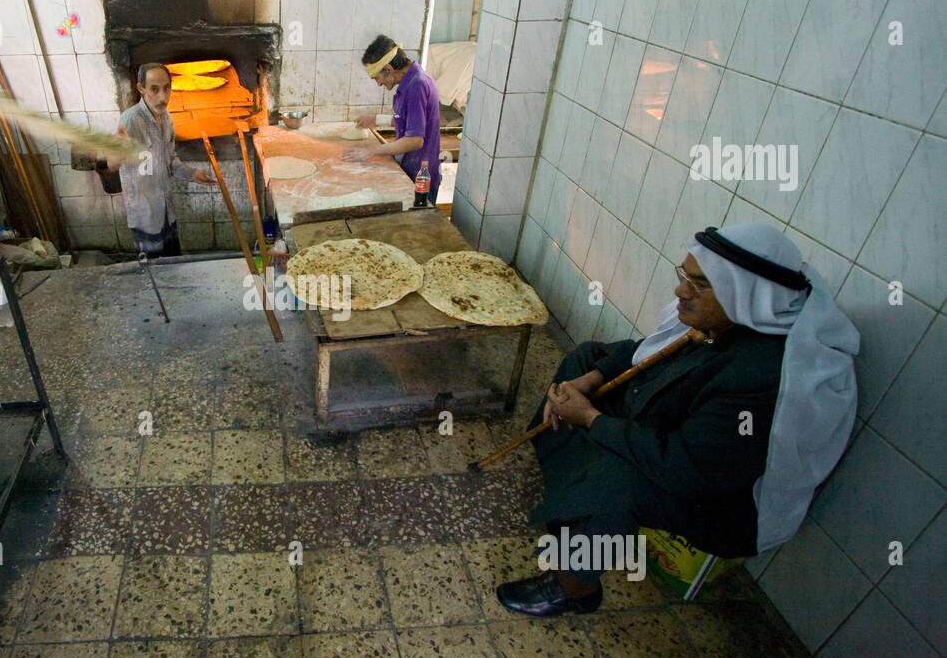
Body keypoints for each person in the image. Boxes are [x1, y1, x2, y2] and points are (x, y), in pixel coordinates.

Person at [496, 223, 860, 617]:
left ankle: (574, 587)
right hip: (674, 428)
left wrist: (589, 418)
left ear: (744, 295)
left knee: (624, 480)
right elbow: (645, 351)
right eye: (685, 276)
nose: (681, 291)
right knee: (584, 358)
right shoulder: (726, 319)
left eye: (700, 284)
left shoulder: (763, 375)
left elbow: (681, 468)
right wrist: (589, 379)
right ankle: (569, 497)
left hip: (719, 500)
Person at [114, 63, 214, 257]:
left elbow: (170, 160)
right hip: (145, 217)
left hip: (167, 212)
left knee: (174, 267)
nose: (163, 96)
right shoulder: (130, 121)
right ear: (141, 88)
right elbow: (118, 162)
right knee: (154, 275)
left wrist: (192, 174)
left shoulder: (166, 118)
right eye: (154, 89)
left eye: (166, 88)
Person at [344, 34, 442, 204]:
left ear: (388, 69)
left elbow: (415, 140)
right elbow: (410, 120)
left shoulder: (417, 85)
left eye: (377, 78)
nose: (378, 84)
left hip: (420, 176)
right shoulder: (411, 80)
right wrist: (376, 120)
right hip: (409, 168)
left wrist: (372, 151)